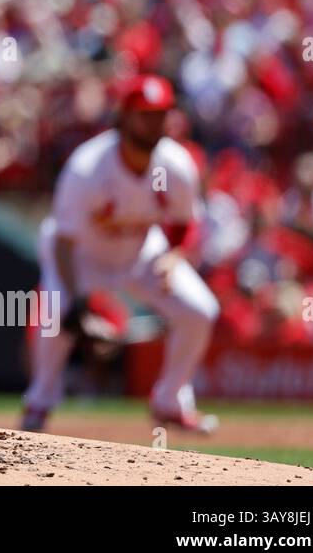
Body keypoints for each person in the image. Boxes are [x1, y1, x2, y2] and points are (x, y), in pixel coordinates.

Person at [20, 75, 220, 434]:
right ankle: (39, 402)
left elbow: (186, 223)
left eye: (161, 113)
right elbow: (64, 242)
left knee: (200, 310)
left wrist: (175, 255)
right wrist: (79, 303)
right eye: (145, 113)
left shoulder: (176, 165)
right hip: (79, 257)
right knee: (55, 312)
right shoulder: (88, 167)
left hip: (141, 254)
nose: (154, 122)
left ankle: (170, 401)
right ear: (124, 116)